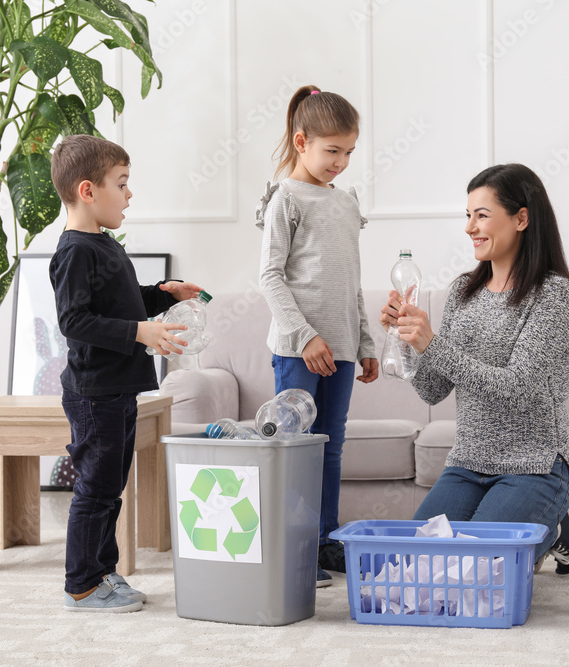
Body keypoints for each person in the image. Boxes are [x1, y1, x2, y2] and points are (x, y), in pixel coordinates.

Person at [380, 163, 569, 575]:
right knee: (412, 567)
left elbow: (521, 388)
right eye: (468, 216)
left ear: (521, 218)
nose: (469, 228)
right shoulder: (464, 290)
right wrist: (405, 340)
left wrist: (432, 343)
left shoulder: (554, 296)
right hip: (469, 462)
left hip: (534, 462)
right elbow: (432, 389)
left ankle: (550, 529)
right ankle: (547, 526)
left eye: (482, 215)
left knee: (473, 574)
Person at [49, 134, 204, 611]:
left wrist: (163, 293)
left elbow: (122, 301)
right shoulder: (75, 250)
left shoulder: (103, 244)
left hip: (116, 391)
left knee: (110, 489)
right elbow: (73, 321)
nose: (129, 194)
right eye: (122, 183)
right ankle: (82, 583)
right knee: (95, 489)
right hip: (94, 393)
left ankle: (104, 572)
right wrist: (140, 332)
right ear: (88, 191)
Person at [257, 85, 379, 587]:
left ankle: (324, 541)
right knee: (296, 445)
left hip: (343, 349)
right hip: (297, 348)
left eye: (349, 152)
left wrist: (366, 342)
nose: (342, 162)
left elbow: (351, 281)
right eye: (333, 151)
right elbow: (270, 275)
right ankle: (294, 545)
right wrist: (305, 335)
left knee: (331, 447)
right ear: (301, 140)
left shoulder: (346, 204)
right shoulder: (285, 198)